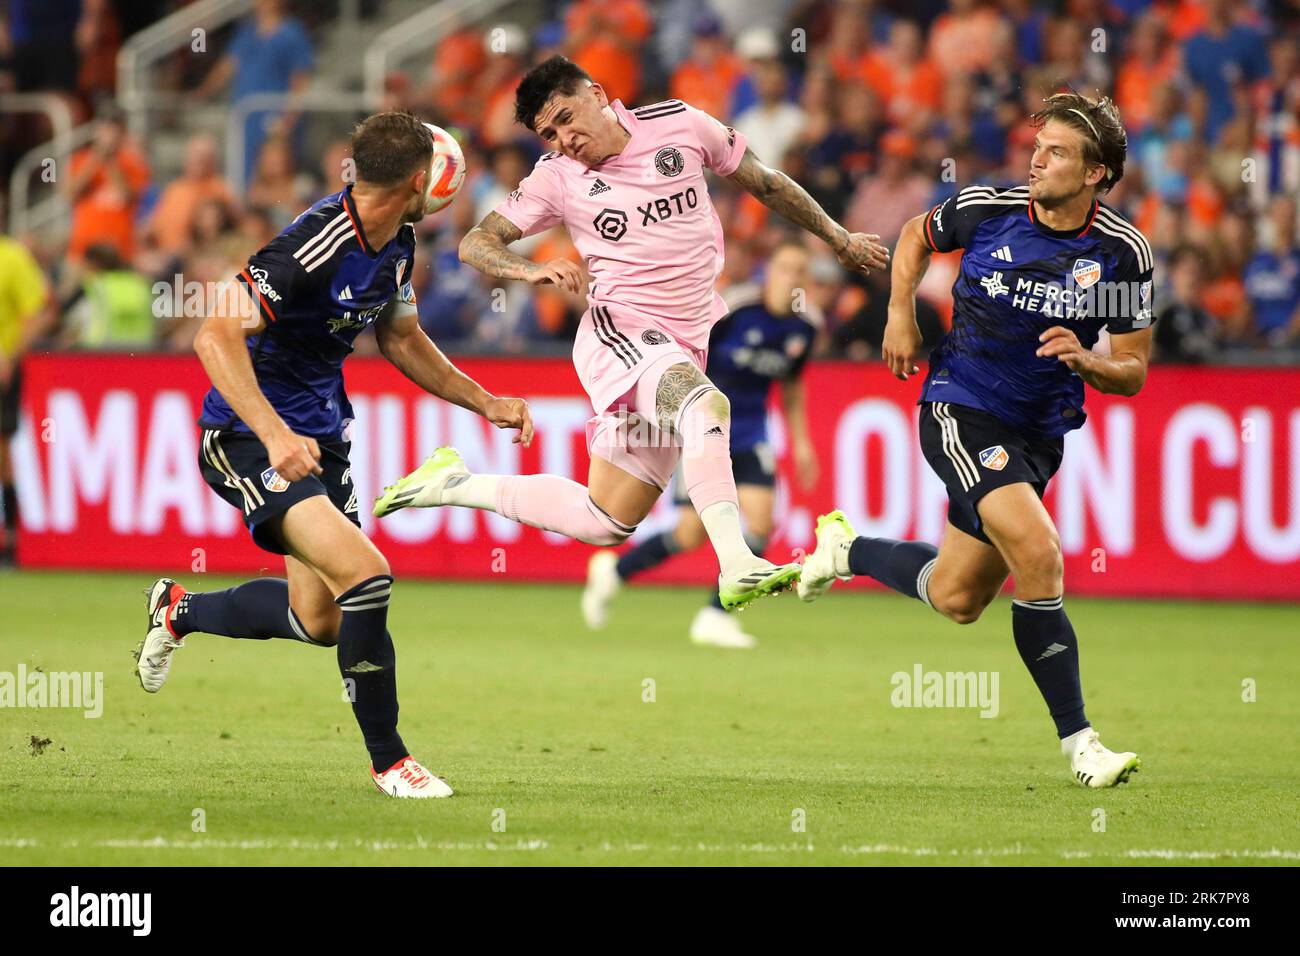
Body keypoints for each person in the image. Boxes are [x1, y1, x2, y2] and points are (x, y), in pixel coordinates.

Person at [373, 56, 888, 611]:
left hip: (685, 340)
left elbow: (764, 181)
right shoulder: (556, 177)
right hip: (620, 331)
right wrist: (529, 269)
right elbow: (476, 242)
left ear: (597, 94)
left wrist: (838, 237)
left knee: (607, 520)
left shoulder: (681, 124)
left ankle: (454, 484)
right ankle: (737, 563)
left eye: (566, 118)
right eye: (549, 134)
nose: (564, 139)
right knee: (705, 406)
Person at [133, 111, 534, 798]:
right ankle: (391, 762)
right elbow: (214, 335)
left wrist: (484, 400)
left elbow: (401, 339)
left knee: (319, 621)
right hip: (247, 435)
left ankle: (179, 610)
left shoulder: (398, 242)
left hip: (320, 437)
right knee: (368, 575)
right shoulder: (310, 248)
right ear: (419, 180)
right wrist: (273, 434)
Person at [799, 92, 1155, 790]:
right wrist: (900, 313)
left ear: (1095, 175)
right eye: (1038, 146)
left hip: (1038, 432)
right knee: (1040, 554)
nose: (1037, 160)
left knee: (958, 597)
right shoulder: (988, 209)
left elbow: (1134, 369)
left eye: (1056, 152)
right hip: (960, 406)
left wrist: (1090, 363)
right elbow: (913, 236)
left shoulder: (1118, 254)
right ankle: (1082, 745)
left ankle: (846, 550)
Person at [582, 241, 821, 648]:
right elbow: (686, 348)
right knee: (689, 534)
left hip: (751, 432)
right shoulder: (736, 308)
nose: (791, 278)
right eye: (784, 268)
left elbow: (792, 384)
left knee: (760, 522)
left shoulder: (805, 327)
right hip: (704, 429)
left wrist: (801, 442)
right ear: (768, 273)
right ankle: (614, 573)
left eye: (800, 271)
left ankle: (715, 615)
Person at [0, 234, 50, 565]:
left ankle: (11, 538)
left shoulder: (12, 257)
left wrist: (10, 354)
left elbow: (41, 311)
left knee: (2, 451)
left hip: (3, 372)